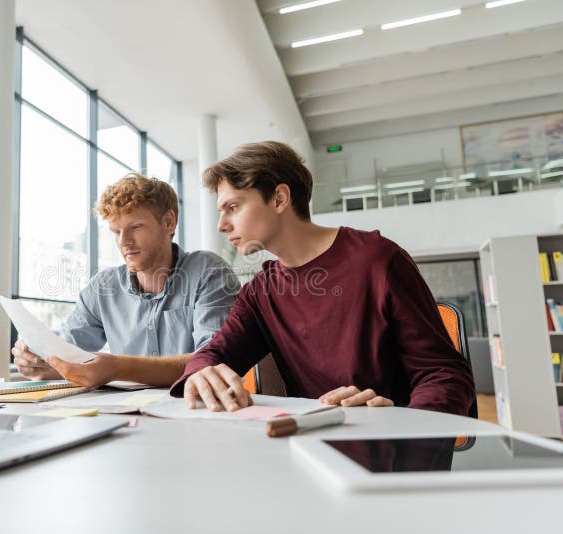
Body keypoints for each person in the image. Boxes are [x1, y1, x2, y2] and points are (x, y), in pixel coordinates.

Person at [169, 141, 476, 415]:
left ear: (279, 198)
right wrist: (201, 371)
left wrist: (403, 422)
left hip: (391, 451)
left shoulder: (379, 260)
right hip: (316, 450)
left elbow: (444, 374)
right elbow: (213, 354)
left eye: (233, 207)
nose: (221, 225)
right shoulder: (260, 292)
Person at [12, 173, 240, 387]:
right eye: (116, 231)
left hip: (194, 411)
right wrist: (38, 361)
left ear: (169, 222)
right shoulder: (103, 287)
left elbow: (213, 360)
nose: (124, 242)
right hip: (125, 415)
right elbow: (66, 357)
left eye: (136, 227)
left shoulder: (208, 272)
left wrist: (118, 367)